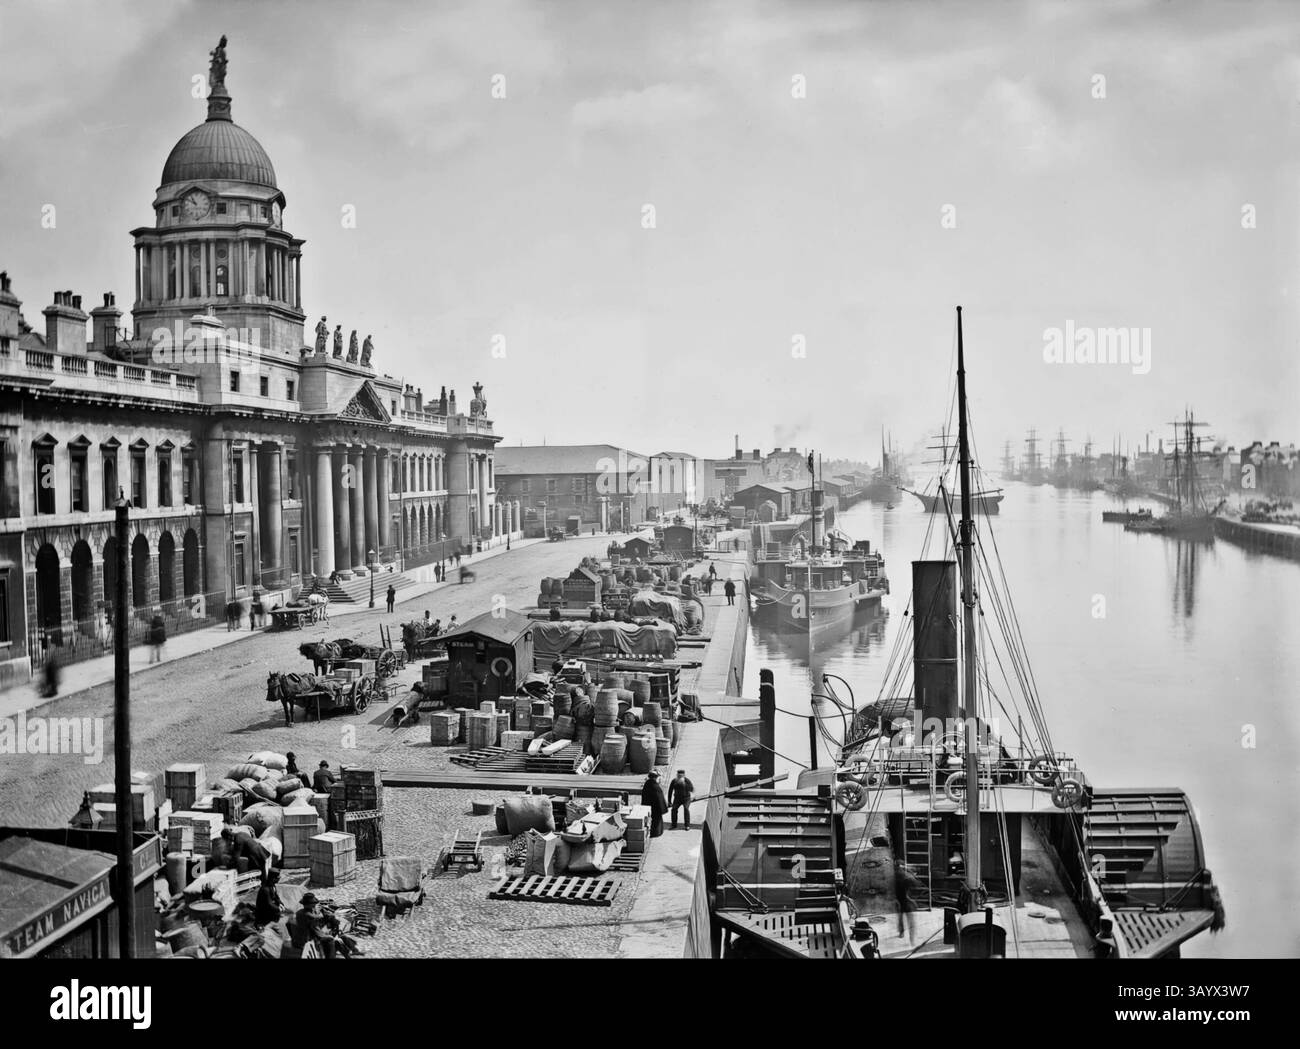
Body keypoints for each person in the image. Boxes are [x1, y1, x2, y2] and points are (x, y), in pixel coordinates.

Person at [640, 771, 668, 838]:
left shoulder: (647, 784)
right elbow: (659, 798)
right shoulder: (655, 786)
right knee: (656, 821)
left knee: (649, 820)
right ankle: (656, 833)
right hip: (656, 807)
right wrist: (663, 808)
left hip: (647, 805)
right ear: (655, 777)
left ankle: (651, 832)